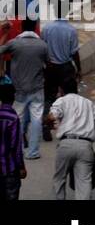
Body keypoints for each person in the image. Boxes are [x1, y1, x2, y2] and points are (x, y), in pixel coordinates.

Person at [46, 78, 95, 201]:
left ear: (61, 89)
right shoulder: (88, 103)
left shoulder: (61, 101)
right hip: (85, 145)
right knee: (84, 181)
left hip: (66, 144)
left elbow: (51, 117)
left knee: (60, 178)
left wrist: (48, 123)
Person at [0, 21, 46, 161]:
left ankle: (17, 151)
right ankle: (33, 152)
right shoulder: (42, 45)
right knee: (36, 119)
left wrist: (5, 34)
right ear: (35, 28)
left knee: (18, 119)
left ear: (21, 28)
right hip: (37, 88)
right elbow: (47, 64)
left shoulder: (14, 44)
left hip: (19, 89)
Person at [41, 15, 78, 144]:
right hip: (66, 68)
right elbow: (74, 53)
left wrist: (46, 63)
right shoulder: (71, 30)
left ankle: (46, 125)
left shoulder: (46, 29)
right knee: (71, 98)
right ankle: (71, 128)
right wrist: (79, 69)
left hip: (50, 68)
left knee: (49, 98)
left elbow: (43, 48)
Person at [0, 83, 25, 200]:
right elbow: (16, 146)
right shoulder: (13, 118)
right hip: (9, 170)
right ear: (13, 97)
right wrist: (21, 167)